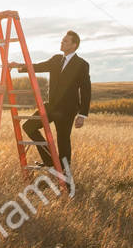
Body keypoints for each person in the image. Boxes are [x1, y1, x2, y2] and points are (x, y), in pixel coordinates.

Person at [12, 30, 91, 181]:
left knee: (63, 140)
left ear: (74, 45)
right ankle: (51, 161)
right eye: (62, 40)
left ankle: (65, 176)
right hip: (51, 106)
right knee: (29, 126)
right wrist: (19, 66)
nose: (62, 42)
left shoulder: (81, 64)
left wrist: (82, 115)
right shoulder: (56, 59)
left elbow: (86, 90)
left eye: (66, 41)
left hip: (67, 110)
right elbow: (38, 67)